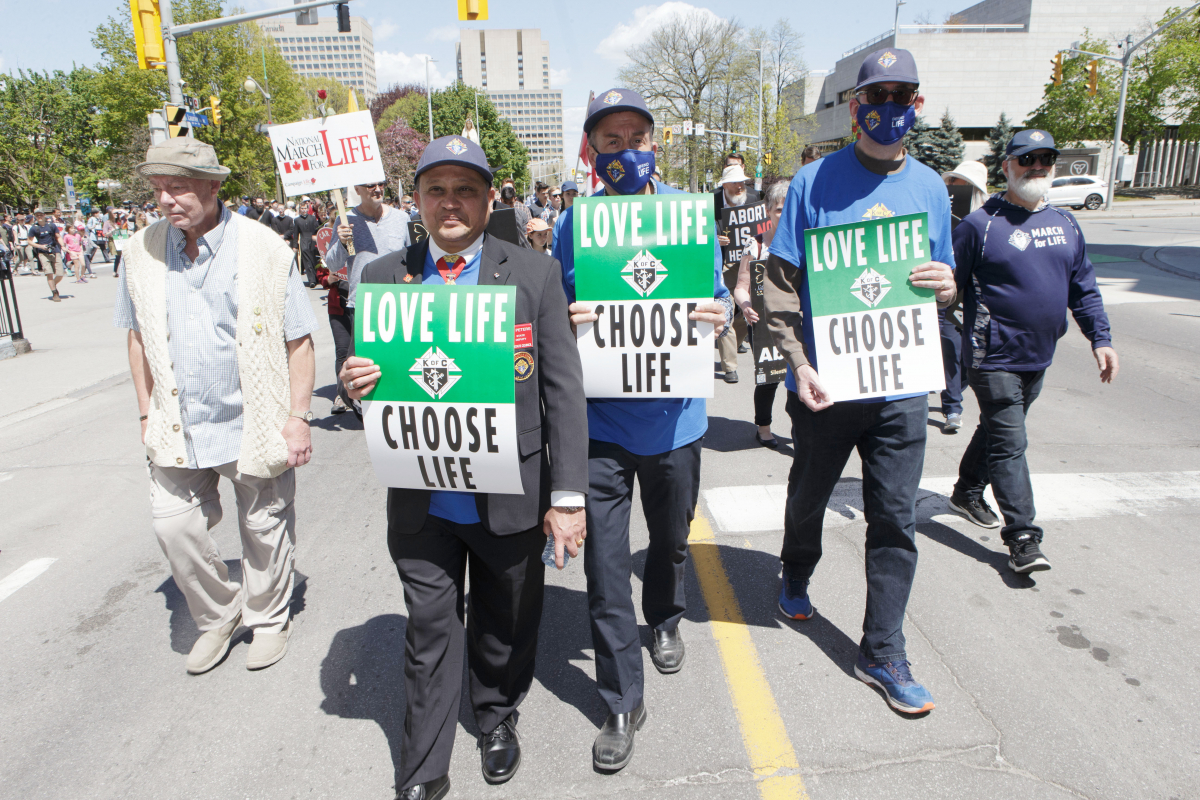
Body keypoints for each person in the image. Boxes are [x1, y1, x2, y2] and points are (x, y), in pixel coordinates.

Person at [338, 134, 588, 800]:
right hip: (423, 503)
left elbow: (564, 392)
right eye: (436, 190)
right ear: (417, 199)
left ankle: (496, 713)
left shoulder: (533, 273)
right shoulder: (383, 275)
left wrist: (568, 496)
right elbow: (370, 377)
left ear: (487, 199)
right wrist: (355, 382)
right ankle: (424, 769)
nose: (450, 203)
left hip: (511, 495)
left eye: (465, 190)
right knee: (428, 632)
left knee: (506, 622)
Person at [764, 48, 957, 715]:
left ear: (916, 104)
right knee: (808, 497)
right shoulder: (813, 182)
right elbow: (779, 285)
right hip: (826, 387)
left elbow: (942, 282)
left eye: (902, 95)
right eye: (877, 95)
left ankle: (882, 649)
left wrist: (948, 287)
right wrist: (798, 362)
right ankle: (796, 569)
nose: (889, 107)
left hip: (901, 388)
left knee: (895, 519)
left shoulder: (931, 189)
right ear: (856, 105)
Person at [552, 88, 732, 772]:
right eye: (610, 140)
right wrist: (569, 318)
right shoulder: (576, 223)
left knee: (669, 539)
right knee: (604, 569)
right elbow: (556, 305)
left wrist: (719, 312)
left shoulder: (689, 215)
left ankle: (664, 616)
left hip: (675, 420)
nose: (625, 151)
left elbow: (716, 293)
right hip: (599, 425)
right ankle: (623, 700)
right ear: (593, 151)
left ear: (655, 145)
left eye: (636, 138)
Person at [112, 137, 317, 675]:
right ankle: (219, 614)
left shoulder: (265, 248)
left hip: (252, 420)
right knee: (172, 525)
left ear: (211, 187)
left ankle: (268, 618)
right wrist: (145, 412)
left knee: (265, 525)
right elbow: (137, 337)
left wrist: (298, 418)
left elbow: (299, 341)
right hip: (178, 424)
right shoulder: (140, 251)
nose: (165, 199)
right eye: (158, 188)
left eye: (177, 187)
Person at [948, 130, 1118, 573]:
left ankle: (966, 491)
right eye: (1027, 159)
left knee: (1000, 431)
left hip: (1039, 355)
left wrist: (1100, 339)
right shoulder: (980, 226)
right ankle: (1023, 537)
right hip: (992, 357)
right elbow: (947, 289)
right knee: (1011, 444)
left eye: (1045, 159)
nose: (1037, 166)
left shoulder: (1066, 224)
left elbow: (1083, 288)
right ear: (1007, 166)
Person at [324, 179, 410, 414]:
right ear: (357, 189)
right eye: (370, 185)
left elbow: (414, 257)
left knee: (400, 361)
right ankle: (368, 410)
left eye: (380, 183)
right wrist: (342, 243)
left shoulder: (402, 218)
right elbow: (332, 263)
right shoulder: (346, 221)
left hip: (400, 303)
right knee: (367, 362)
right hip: (363, 304)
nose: (377, 189)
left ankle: (401, 405)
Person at [732, 180, 788, 446]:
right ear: (768, 211)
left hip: (798, 322)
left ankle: (805, 429)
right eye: (779, 209)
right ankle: (763, 427)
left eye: (789, 208)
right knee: (769, 379)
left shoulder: (805, 240)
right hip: (764, 324)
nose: (784, 214)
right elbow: (741, 287)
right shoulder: (755, 246)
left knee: (802, 374)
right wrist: (745, 306)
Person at [937, 160, 990, 432]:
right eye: (953, 181)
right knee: (950, 346)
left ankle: (957, 387)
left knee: (968, 355)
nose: (955, 187)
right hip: (949, 294)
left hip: (976, 297)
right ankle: (952, 407)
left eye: (962, 183)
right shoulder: (942, 210)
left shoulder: (989, 220)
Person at [715, 162, 755, 383]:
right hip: (723, 264)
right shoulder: (711, 203)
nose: (740, 186)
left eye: (742, 182)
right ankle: (730, 366)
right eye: (735, 183)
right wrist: (714, 239)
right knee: (726, 309)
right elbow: (698, 230)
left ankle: (733, 343)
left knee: (746, 310)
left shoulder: (753, 199)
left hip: (748, 263)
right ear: (724, 185)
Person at [28, 210, 65, 301]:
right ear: (35, 217)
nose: (39, 216)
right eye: (37, 215)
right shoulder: (34, 228)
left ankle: (53, 284)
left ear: (44, 215)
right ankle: (54, 293)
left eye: (41, 215)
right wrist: (40, 246)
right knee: (49, 273)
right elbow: (29, 241)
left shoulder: (51, 225)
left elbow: (58, 236)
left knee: (60, 274)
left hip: (54, 251)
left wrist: (63, 246)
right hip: (43, 253)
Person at [294, 199, 321, 288]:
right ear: (300, 209)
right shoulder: (297, 220)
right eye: (302, 208)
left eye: (305, 208)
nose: (304, 210)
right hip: (304, 241)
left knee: (313, 260)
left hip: (312, 240)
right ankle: (311, 280)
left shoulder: (312, 218)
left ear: (307, 209)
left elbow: (317, 229)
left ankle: (316, 278)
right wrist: (295, 246)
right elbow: (296, 233)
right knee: (307, 262)